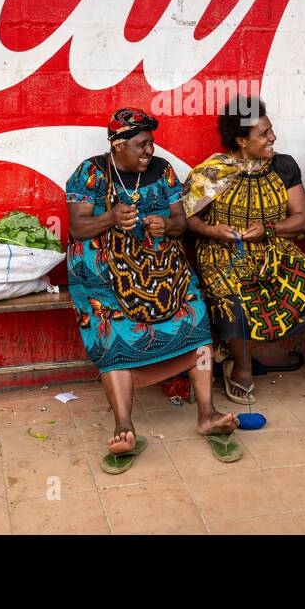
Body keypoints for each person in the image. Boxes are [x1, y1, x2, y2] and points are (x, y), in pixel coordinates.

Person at [65, 107, 241, 472]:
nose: (149, 151)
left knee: (195, 312)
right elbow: (78, 229)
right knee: (110, 325)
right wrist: (110, 218)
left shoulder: (163, 171)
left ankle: (207, 413)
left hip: (161, 269)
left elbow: (181, 222)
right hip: (106, 273)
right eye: (141, 144)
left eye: (151, 143)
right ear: (118, 145)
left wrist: (166, 225)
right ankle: (124, 425)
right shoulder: (91, 173)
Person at [184, 95, 305, 408]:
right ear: (241, 141)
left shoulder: (282, 166)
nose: (272, 137)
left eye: (271, 130)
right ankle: (241, 367)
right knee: (235, 303)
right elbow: (187, 220)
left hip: (273, 247)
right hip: (223, 252)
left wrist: (269, 229)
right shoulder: (212, 173)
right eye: (263, 133)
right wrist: (212, 230)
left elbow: (302, 218)